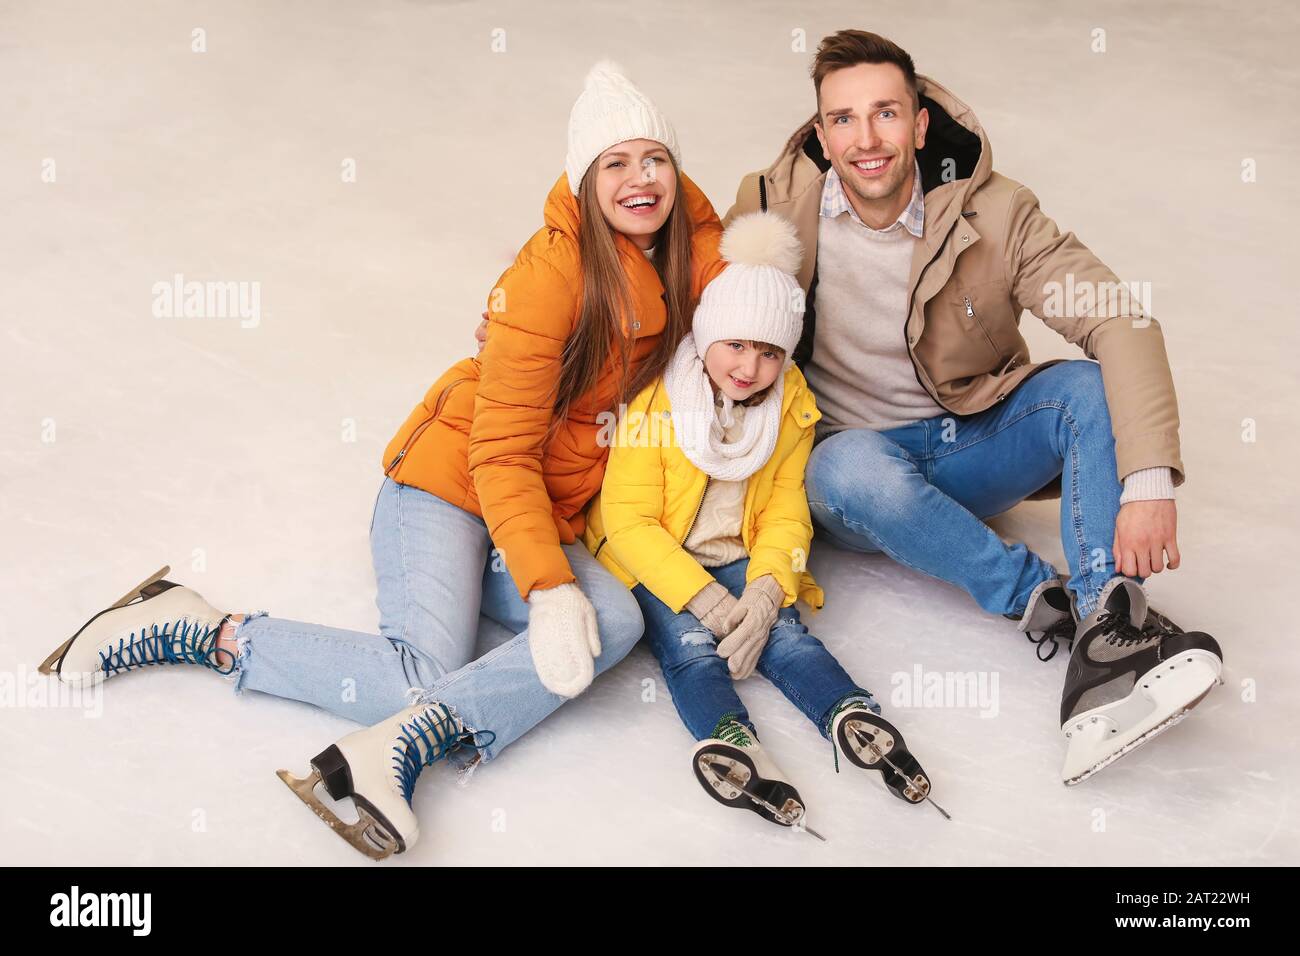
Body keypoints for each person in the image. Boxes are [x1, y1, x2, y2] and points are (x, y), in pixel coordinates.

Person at [41, 61, 727, 858]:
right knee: (421, 665)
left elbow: (728, 255)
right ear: (581, 180)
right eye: (616, 163)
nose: (641, 180)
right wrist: (546, 587)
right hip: (446, 482)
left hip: (537, 507)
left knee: (611, 616)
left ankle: (404, 736)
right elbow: (499, 451)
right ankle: (201, 629)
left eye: (657, 160)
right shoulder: (550, 278)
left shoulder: (677, 257)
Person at [722, 29, 1223, 785]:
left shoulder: (998, 211)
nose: (867, 139)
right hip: (858, 472)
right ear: (821, 133)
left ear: (920, 122)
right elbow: (685, 291)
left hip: (974, 443)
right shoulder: (770, 203)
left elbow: (1120, 319)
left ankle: (1107, 623)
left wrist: (1149, 481)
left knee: (1082, 389)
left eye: (886, 114)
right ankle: (1042, 601)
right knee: (845, 467)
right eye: (845, 119)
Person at [584, 211, 945, 831]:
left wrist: (765, 586)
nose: (749, 367)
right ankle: (735, 743)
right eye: (736, 344)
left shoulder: (792, 405)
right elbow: (629, 521)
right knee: (692, 647)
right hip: (657, 559)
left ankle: (851, 714)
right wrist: (704, 600)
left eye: (769, 351)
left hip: (736, 552)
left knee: (784, 632)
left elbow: (785, 512)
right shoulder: (658, 399)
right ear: (708, 336)